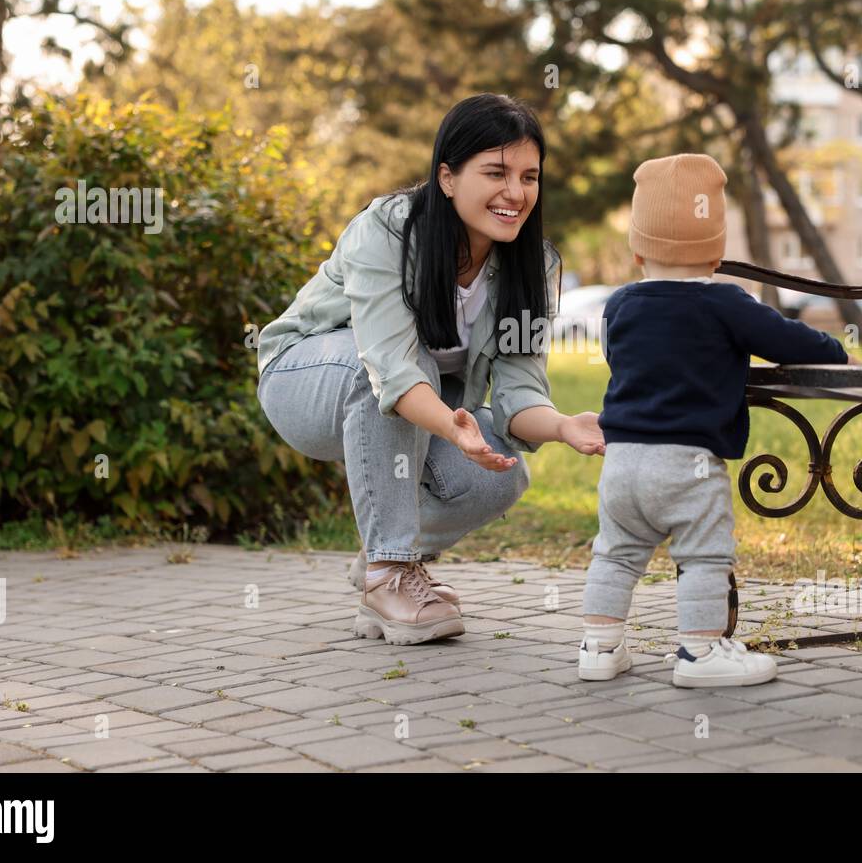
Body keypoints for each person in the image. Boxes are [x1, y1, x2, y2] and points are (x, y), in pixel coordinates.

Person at [256, 94, 605, 646]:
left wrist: (563, 426)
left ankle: (381, 561)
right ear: (447, 177)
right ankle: (391, 571)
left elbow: (518, 394)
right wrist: (450, 426)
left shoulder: (534, 265)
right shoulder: (388, 230)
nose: (515, 193)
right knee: (401, 367)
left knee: (501, 474)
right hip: (305, 379)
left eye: (529, 176)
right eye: (495, 172)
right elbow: (390, 368)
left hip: (417, 408)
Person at [578, 153, 854, 687]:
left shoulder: (619, 306)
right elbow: (788, 342)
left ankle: (598, 648)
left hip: (622, 462)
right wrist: (838, 354)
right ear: (718, 249)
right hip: (690, 466)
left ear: (637, 249)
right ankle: (700, 655)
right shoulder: (727, 302)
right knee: (704, 558)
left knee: (613, 556)